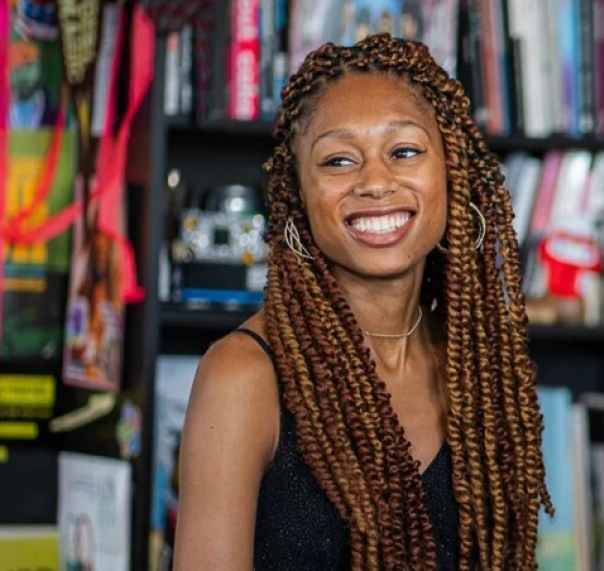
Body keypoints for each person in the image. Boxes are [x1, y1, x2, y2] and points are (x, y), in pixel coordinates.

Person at [173, 33, 552, 570]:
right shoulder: (244, 375)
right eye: (338, 161)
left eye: (404, 151)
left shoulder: (476, 368)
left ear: (450, 174)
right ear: (299, 197)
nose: (375, 182)